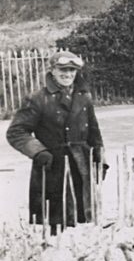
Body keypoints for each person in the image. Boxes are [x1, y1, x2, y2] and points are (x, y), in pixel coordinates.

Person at [6, 50, 106, 231]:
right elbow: (16, 132)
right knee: (56, 220)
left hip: (80, 163)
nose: (68, 74)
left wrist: (100, 157)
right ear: (52, 70)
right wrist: (39, 152)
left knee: (82, 215)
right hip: (52, 166)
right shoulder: (37, 99)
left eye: (72, 70)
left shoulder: (84, 97)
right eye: (63, 69)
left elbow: (94, 131)